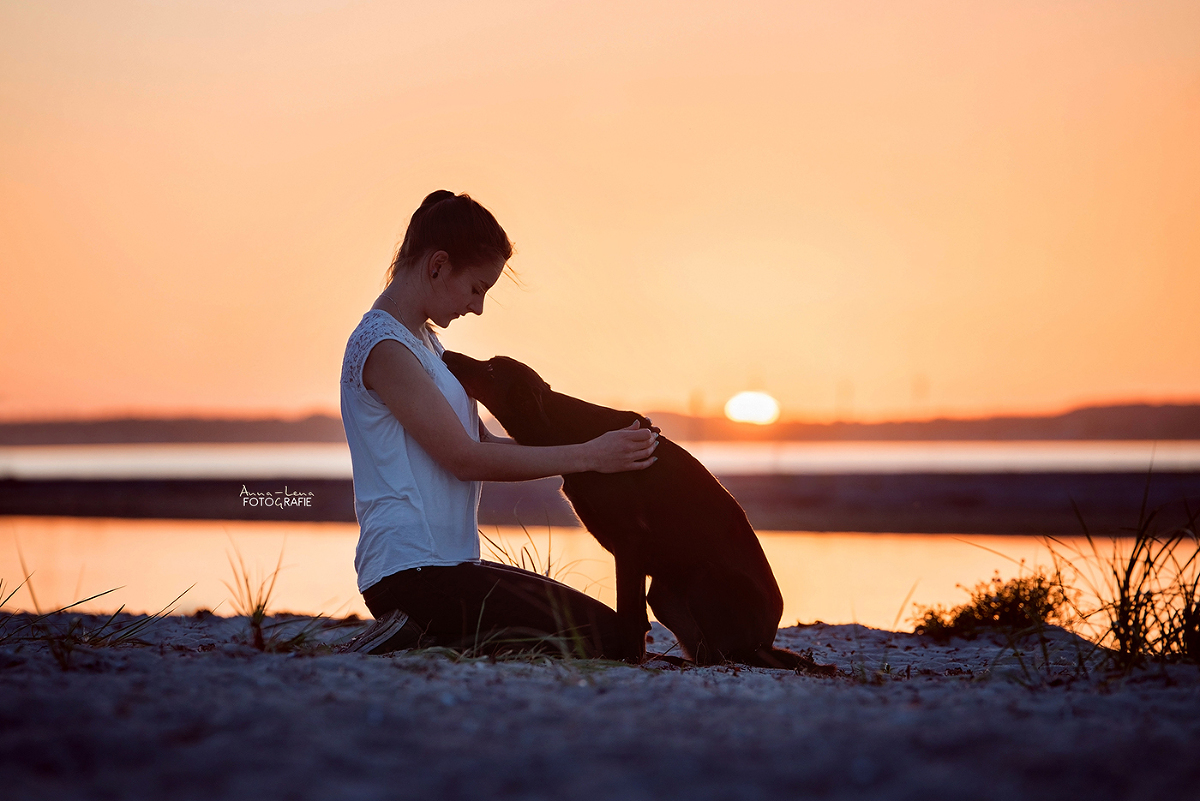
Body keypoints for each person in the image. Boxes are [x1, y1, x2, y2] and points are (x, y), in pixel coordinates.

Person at [339, 190, 658, 658]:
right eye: (476, 288)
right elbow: (464, 459)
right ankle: (408, 631)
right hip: (410, 576)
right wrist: (592, 456)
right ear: (437, 265)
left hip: (452, 568)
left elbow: (482, 442)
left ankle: (438, 635)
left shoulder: (426, 344)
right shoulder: (384, 347)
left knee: (610, 634)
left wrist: (592, 446)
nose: (478, 307)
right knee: (602, 644)